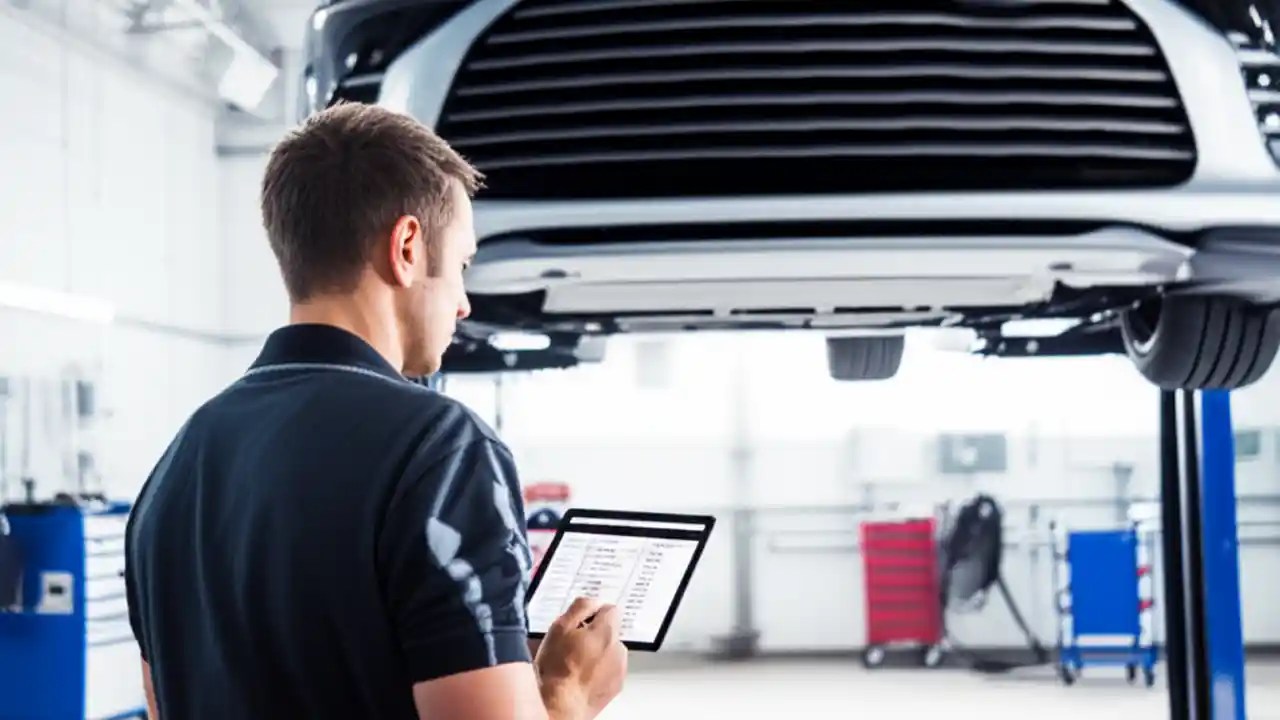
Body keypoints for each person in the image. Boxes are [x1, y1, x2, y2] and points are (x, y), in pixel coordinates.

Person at [124, 102, 628, 719]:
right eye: (463, 266)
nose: (464, 304)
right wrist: (569, 690)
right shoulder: (441, 447)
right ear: (409, 247)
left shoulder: (179, 460)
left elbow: (160, 704)